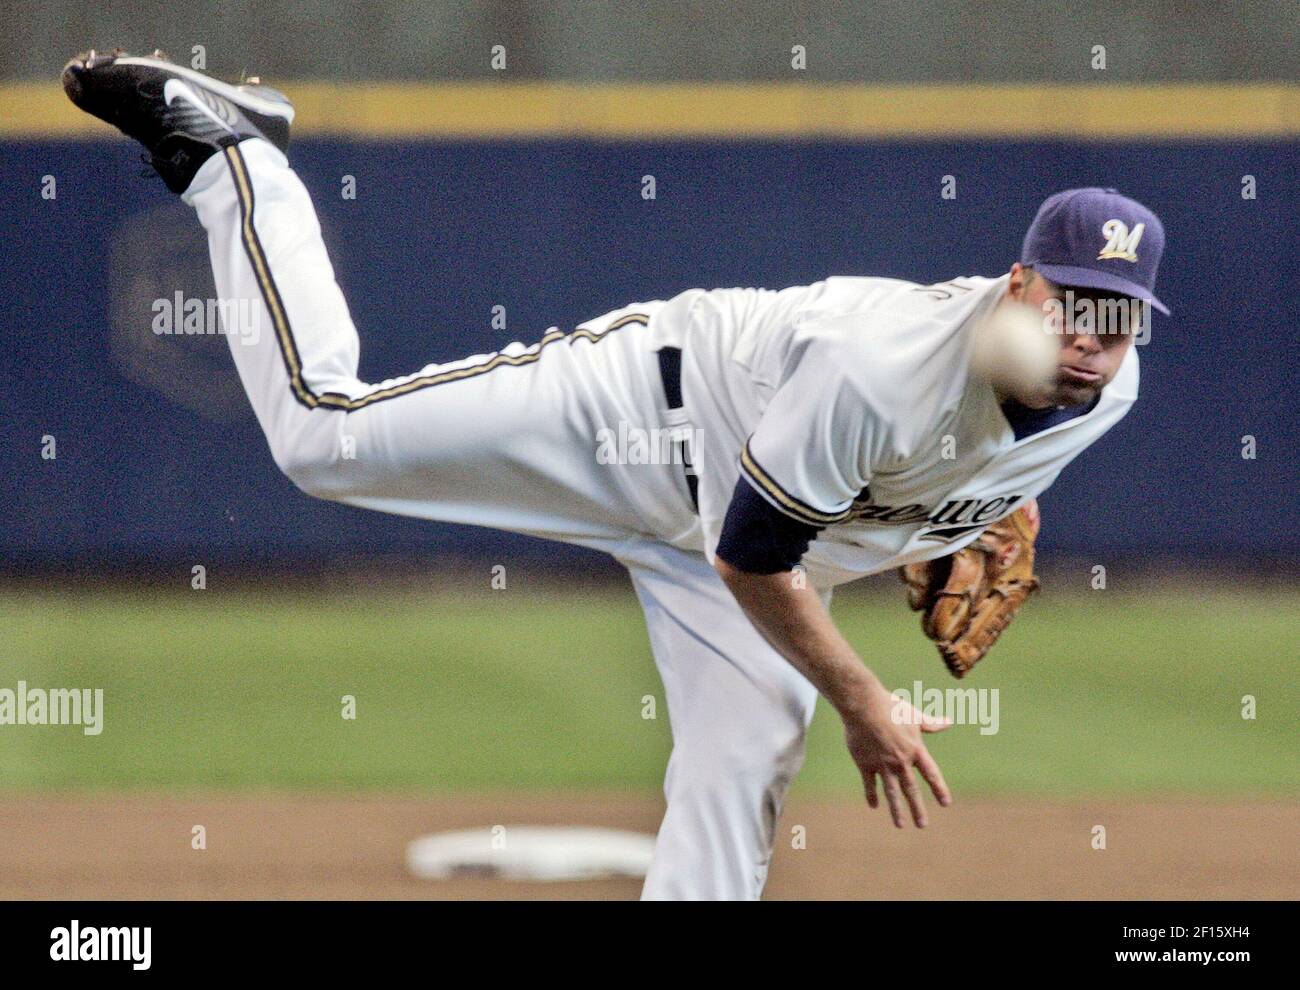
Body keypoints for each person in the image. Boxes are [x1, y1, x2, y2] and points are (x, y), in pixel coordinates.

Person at [63, 50, 1168, 900]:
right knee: (321, 439)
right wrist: (864, 698)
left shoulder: (1106, 393)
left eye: (1116, 317)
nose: (1090, 335)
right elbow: (753, 556)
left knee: (742, 765)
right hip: (640, 415)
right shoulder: (880, 369)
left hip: (735, 534)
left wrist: (979, 515)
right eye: (1072, 300)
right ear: (1020, 283)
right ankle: (234, 159)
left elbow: (980, 460)